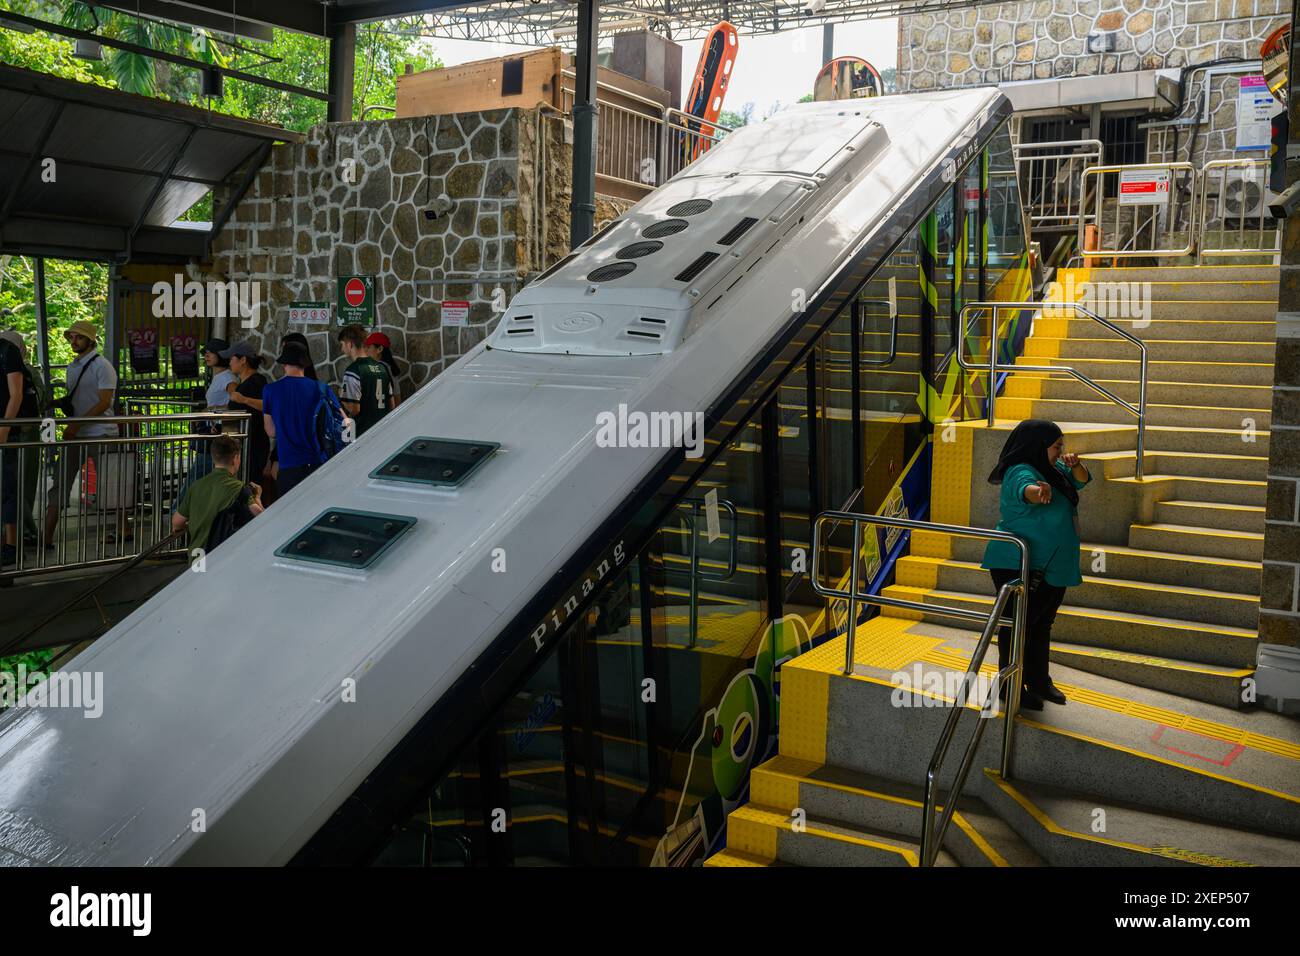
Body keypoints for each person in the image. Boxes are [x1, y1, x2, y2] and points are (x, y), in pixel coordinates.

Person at [981, 420, 1091, 711]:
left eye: (1061, 446)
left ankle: (1039, 681)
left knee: (1042, 624)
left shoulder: (1055, 469)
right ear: (1038, 446)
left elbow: (1082, 480)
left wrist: (1076, 465)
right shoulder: (1021, 470)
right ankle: (1009, 687)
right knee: (1019, 626)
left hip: (1051, 564)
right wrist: (1037, 492)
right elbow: (1025, 488)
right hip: (1020, 564)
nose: (1060, 452)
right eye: (1056, 446)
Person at [44, 320, 118, 549]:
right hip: (77, 432)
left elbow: (104, 402)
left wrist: (75, 425)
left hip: (101, 432)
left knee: (110, 484)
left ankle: (123, 529)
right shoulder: (72, 366)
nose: (74, 341)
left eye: (79, 337)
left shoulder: (102, 366)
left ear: (90, 340)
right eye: (72, 337)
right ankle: (46, 536)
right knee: (60, 482)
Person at [262, 340, 343, 496]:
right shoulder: (322, 389)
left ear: (284, 363)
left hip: (289, 465)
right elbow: (343, 422)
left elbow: (271, 431)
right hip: (320, 464)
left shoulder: (270, 390)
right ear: (305, 364)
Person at [171, 435, 263, 552]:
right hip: (223, 555)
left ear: (214, 458)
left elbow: (177, 523)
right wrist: (257, 497)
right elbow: (261, 517)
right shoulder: (240, 489)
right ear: (235, 459)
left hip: (197, 556)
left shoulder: (196, 486)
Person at [0, 329, 38, 566]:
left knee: (8, 489)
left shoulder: (7, 351)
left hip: (7, 433)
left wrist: (4, 428)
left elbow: (16, 395)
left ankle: (12, 545)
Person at [221, 342, 269, 485]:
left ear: (243, 360)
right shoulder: (244, 383)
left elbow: (267, 405)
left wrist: (244, 400)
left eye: (232, 358)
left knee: (248, 486)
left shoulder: (257, 381)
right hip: (243, 445)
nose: (229, 362)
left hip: (253, 446)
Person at [339, 324, 394, 436]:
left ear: (350, 344)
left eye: (342, 344)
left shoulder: (353, 370)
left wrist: (341, 397)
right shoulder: (382, 368)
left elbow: (354, 410)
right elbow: (392, 404)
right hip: (383, 431)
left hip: (362, 432)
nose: (341, 349)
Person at [364, 331, 402, 407]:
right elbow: (397, 398)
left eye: (369, 347)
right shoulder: (390, 367)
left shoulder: (376, 368)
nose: (366, 350)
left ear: (380, 349)